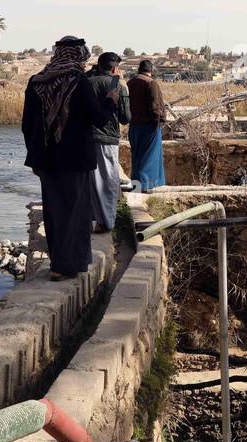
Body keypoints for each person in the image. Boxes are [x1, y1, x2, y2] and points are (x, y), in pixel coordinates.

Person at [22, 36, 118, 280]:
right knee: (76, 212)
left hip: (45, 159)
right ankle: (68, 265)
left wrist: (34, 157)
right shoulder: (78, 82)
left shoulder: (36, 82)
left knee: (54, 211)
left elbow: (27, 125)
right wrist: (110, 102)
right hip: (75, 159)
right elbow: (97, 118)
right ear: (78, 56)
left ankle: (57, 264)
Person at [86, 51, 130, 232]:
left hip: (87, 138)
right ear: (114, 67)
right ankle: (106, 222)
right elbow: (125, 118)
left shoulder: (87, 83)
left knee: (90, 181)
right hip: (108, 139)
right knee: (109, 181)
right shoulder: (117, 85)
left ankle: (92, 220)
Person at [127, 59, 166, 191]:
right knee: (149, 157)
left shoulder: (130, 83)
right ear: (151, 70)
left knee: (137, 156)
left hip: (134, 126)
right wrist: (159, 121)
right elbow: (156, 106)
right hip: (149, 126)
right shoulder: (151, 83)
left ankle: (136, 185)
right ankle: (145, 186)